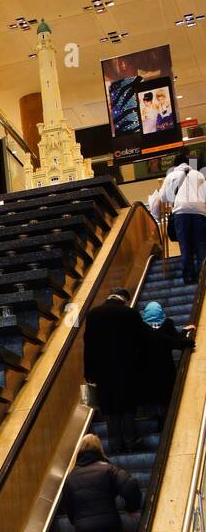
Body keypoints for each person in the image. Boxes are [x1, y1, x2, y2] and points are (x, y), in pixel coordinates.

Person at [83, 286, 155, 453]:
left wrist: (89, 372)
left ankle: (115, 444)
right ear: (124, 299)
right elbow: (143, 340)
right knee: (128, 406)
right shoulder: (129, 314)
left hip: (103, 372)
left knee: (110, 408)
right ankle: (131, 440)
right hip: (127, 370)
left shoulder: (93, 314)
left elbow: (89, 345)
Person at [141, 299, 195, 415]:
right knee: (168, 394)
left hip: (148, 370)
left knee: (156, 396)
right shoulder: (167, 324)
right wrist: (185, 332)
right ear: (161, 312)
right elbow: (175, 340)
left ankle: (159, 419)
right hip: (166, 367)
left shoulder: (141, 329)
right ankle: (169, 416)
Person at [158, 156, 206, 285]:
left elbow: (163, 197)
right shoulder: (199, 175)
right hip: (200, 211)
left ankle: (189, 278)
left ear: (175, 165)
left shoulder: (171, 176)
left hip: (181, 212)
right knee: (201, 245)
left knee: (185, 246)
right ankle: (204, 277)